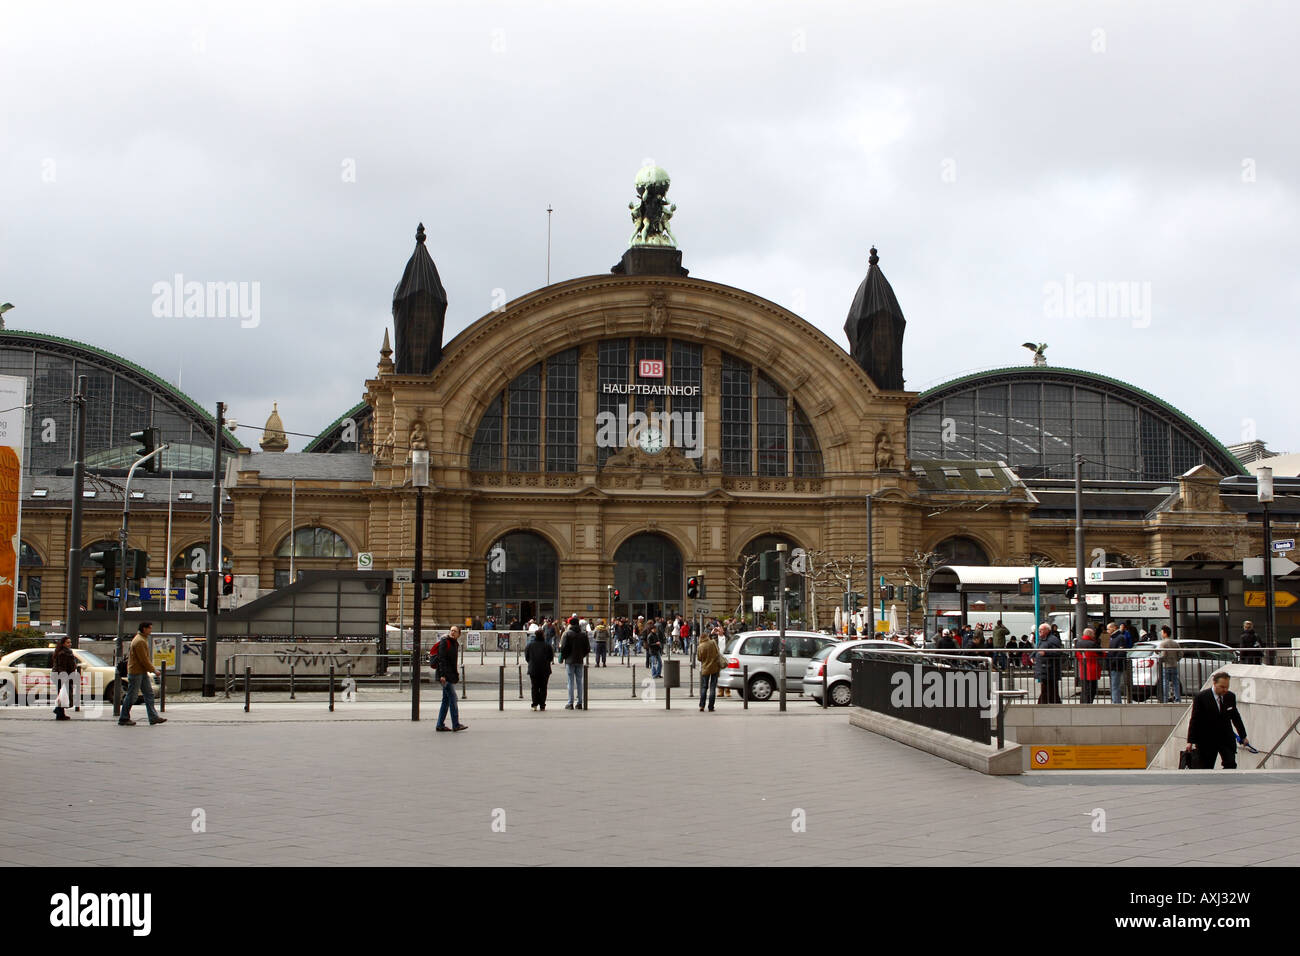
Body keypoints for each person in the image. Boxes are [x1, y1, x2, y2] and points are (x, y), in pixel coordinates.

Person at [1186, 672, 1249, 769]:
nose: (1225, 690)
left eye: (1227, 687)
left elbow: (1235, 717)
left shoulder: (1230, 696)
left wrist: (1243, 736)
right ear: (1214, 683)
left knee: (1231, 764)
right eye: (1222, 687)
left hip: (1226, 738)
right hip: (1207, 740)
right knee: (1206, 767)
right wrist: (1190, 741)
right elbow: (1195, 720)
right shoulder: (1201, 697)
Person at [119, 622, 165, 726]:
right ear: (144, 629)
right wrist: (154, 670)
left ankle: (153, 717)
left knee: (149, 694)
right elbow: (143, 659)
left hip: (141, 672)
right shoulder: (140, 641)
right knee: (132, 696)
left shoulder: (141, 639)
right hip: (136, 672)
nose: (151, 631)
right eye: (150, 629)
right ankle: (124, 718)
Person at [434, 625, 468, 732]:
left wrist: (455, 675)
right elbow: (442, 660)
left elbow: (452, 663)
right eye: (451, 630)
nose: (452, 632)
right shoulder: (445, 642)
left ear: (459, 634)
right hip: (445, 676)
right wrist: (442, 675)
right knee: (453, 699)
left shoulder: (454, 644)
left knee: (446, 700)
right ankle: (456, 724)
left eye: (455, 631)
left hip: (449, 675)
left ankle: (440, 724)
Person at [559, 617, 590, 710]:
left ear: (570, 624)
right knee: (579, 681)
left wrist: (565, 657)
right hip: (579, 660)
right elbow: (587, 648)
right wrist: (582, 655)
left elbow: (563, 648)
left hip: (569, 660)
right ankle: (580, 702)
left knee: (570, 682)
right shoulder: (583, 634)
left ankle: (570, 702)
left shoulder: (567, 634)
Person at [51, 635, 80, 721]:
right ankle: (58, 712)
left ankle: (60, 714)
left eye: (70, 642)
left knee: (63, 695)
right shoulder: (63, 653)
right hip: (61, 676)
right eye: (67, 642)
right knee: (63, 694)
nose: (69, 644)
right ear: (63, 644)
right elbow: (61, 667)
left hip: (62, 675)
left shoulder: (67, 652)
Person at [524, 629, 553, 710]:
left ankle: (535, 704)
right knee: (544, 687)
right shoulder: (547, 645)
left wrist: (531, 662)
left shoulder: (530, 645)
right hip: (545, 669)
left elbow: (527, 657)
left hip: (533, 668)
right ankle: (542, 705)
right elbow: (551, 657)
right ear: (543, 635)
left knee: (534, 687)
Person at [1034, 622, 1062, 704]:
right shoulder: (1042, 640)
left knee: (1048, 688)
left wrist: (1046, 653)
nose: (1039, 632)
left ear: (1047, 630)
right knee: (1049, 689)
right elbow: (1037, 649)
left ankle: (1042, 704)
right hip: (1044, 669)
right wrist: (1032, 656)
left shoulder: (1053, 640)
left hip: (1049, 669)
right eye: (1039, 631)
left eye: (1041, 630)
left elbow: (1058, 652)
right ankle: (1055, 703)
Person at [697, 629, 724, 711]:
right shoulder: (712, 642)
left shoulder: (700, 646)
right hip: (714, 667)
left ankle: (702, 706)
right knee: (712, 687)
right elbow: (718, 652)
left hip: (705, 668)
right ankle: (711, 707)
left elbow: (699, 658)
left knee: (704, 687)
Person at [1106, 621, 1132, 703]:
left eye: (1109, 629)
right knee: (1114, 685)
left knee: (1115, 685)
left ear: (1114, 628)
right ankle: (1115, 701)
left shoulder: (1120, 637)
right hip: (1113, 664)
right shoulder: (1113, 638)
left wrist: (1112, 662)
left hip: (1116, 665)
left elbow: (1121, 652)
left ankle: (1116, 702)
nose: (1107, 631)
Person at [1074, 627, 1101, 704]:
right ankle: (1089, 702)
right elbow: (1101, 653)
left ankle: (1083, 702)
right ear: (1090, 634)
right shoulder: (1093, 643)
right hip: (1092, 668)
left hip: (1083, 668)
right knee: (1092, 688)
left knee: (1085, 688)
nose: (1094, 635)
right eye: (1093, 633)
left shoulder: (1078, 643)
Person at [1157, 625, 1181, 702]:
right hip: (1174, 665)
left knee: (1165, 683)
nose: (1161, 634)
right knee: (1175, 683)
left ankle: (1165, 699)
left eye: (1162, 632)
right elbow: (1180, 653)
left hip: (1166, 666)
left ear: (1165, 633)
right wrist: (1176, 659)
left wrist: (1160, 657)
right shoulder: (1175, 643)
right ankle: (1178, 699)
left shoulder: (1163, 643)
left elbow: (1162, 654)